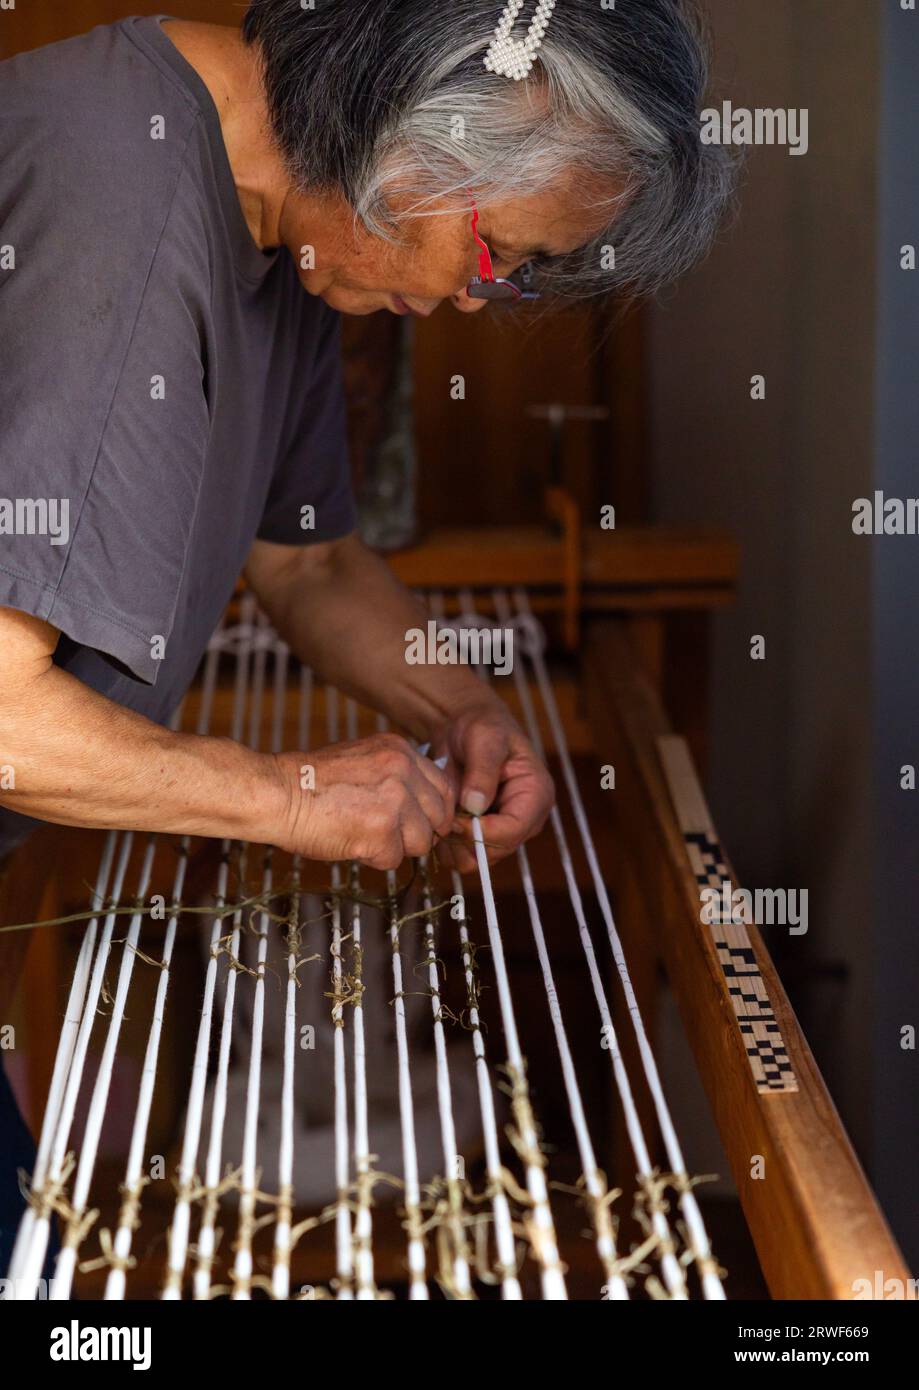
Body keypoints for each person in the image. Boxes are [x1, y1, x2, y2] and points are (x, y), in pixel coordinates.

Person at [0, 0, 733, 1276]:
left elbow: (312, 559)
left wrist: (457, 710)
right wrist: (286, 795)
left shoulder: (268, 218)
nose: (474, 302)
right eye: (501, 256)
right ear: (418, 142)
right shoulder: (120, 213)